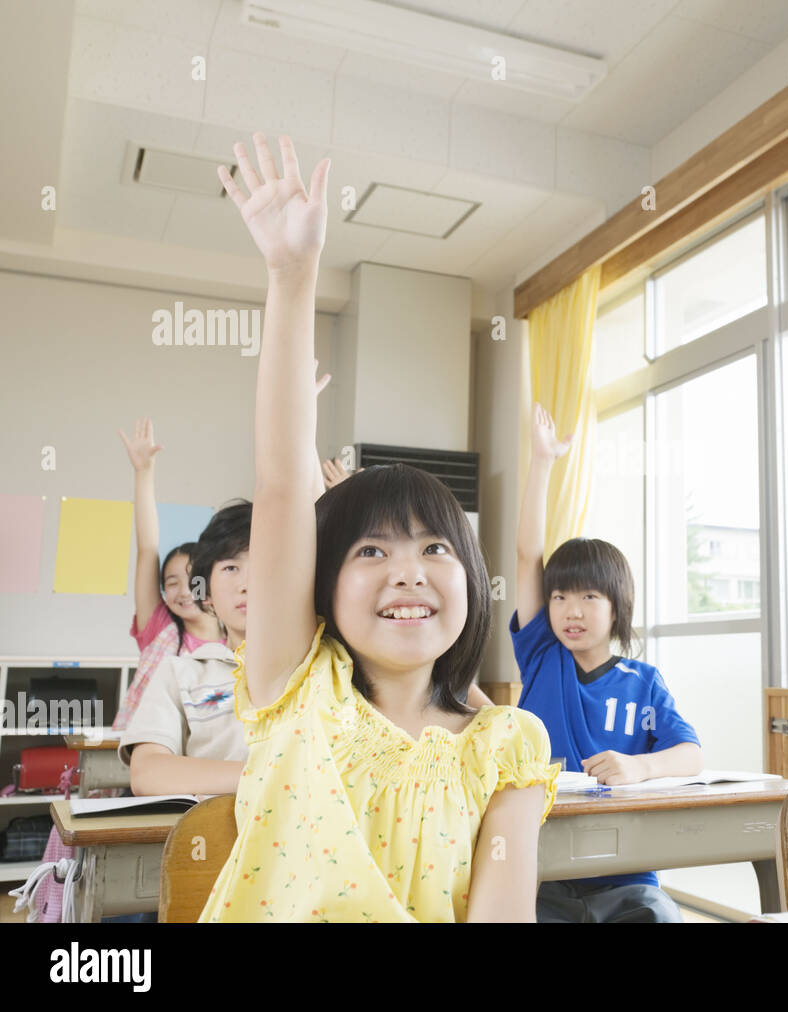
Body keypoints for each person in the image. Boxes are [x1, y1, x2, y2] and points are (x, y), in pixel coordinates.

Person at [200, 132, 555, 922]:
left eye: (434, 547)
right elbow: (284, 482)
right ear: (320, 585)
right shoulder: (295, 684)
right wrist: (292, 278)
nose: (407, 571)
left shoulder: (504, 746)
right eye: (370, 550)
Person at [513, 403, 702, 922]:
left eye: (589, 597)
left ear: (617, 607)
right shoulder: (541, 656)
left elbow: (690, 753)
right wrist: (542, 462)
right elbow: (527, 552)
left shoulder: (643, 681)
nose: (571, 611)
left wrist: (639, 767)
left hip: (626, 873)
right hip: (543, 870)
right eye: (560, 597)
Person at [119, 501, 253, 796]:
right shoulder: (180, 672)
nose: (247, 583)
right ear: (205, 594)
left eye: (265, 566)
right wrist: (270, 779)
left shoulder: (321, 663)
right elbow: (147, 774)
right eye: (231, 567)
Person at [114, 417, 223, 731]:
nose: (183, 591)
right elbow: (148, 547)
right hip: (142, 759)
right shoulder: (160, 628)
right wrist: (143, 472)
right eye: (171, 583)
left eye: (194, 580)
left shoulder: (237, 643)